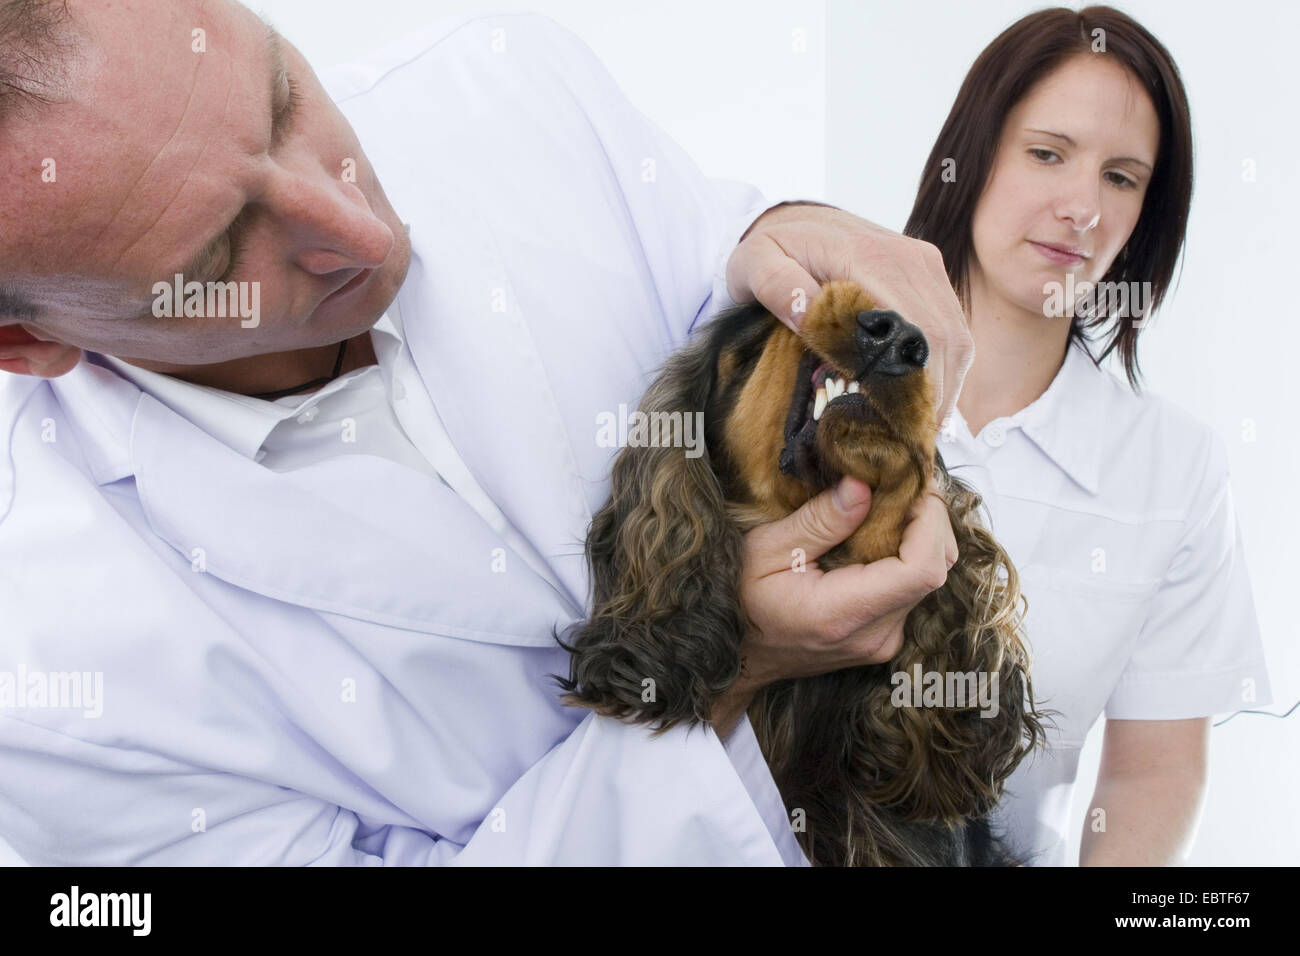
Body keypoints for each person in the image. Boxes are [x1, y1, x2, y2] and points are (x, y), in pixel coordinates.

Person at [0, 0, 966, 864]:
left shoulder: (502, 81)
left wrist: (799, 230)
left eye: (285, 99)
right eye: (219, 253)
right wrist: (728, 671)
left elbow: (725, 273)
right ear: (27, 340)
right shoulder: (50, 694)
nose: (363, 228)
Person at [900, 5, 1274, 865]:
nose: (1080, 207)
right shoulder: (808, 380)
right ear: (971, 155)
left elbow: (1153, 773)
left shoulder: (1173, 470)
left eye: (1122, 177)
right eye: (1046, 154)